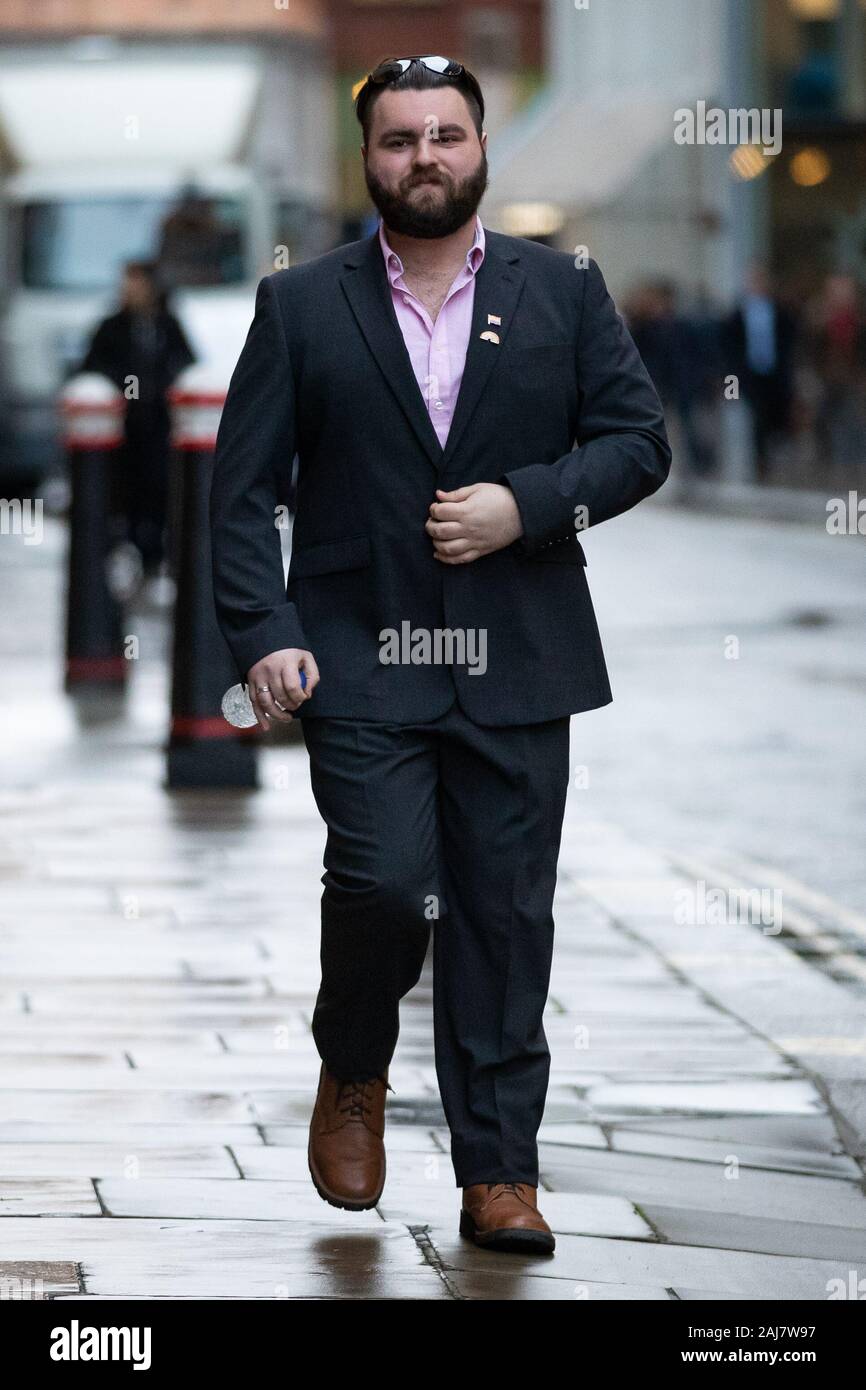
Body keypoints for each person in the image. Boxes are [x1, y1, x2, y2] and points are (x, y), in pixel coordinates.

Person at [209, 55, 671, 1256]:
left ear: (480, 148)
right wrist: (264, 635)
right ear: (366, 160)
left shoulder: (563, 288)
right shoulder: (302, 305)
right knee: (380, 880)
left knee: (504, 917)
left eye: (447, 135)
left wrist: (528, 504)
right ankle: (353, 1067)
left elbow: (635, 441)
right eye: (401, 138)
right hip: (358, 659)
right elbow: (242, 490)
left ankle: (498, 1173)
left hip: (520, 655)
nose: (426, 157)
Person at [80, 261, 195, 578]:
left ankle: (155, 555)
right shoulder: (111, 328)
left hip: (158, 427)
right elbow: (92, 370)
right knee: (124, 492)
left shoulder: (167, 326)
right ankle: (124, 547)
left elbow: (187, 365)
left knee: (159, 490)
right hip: (123, 431)